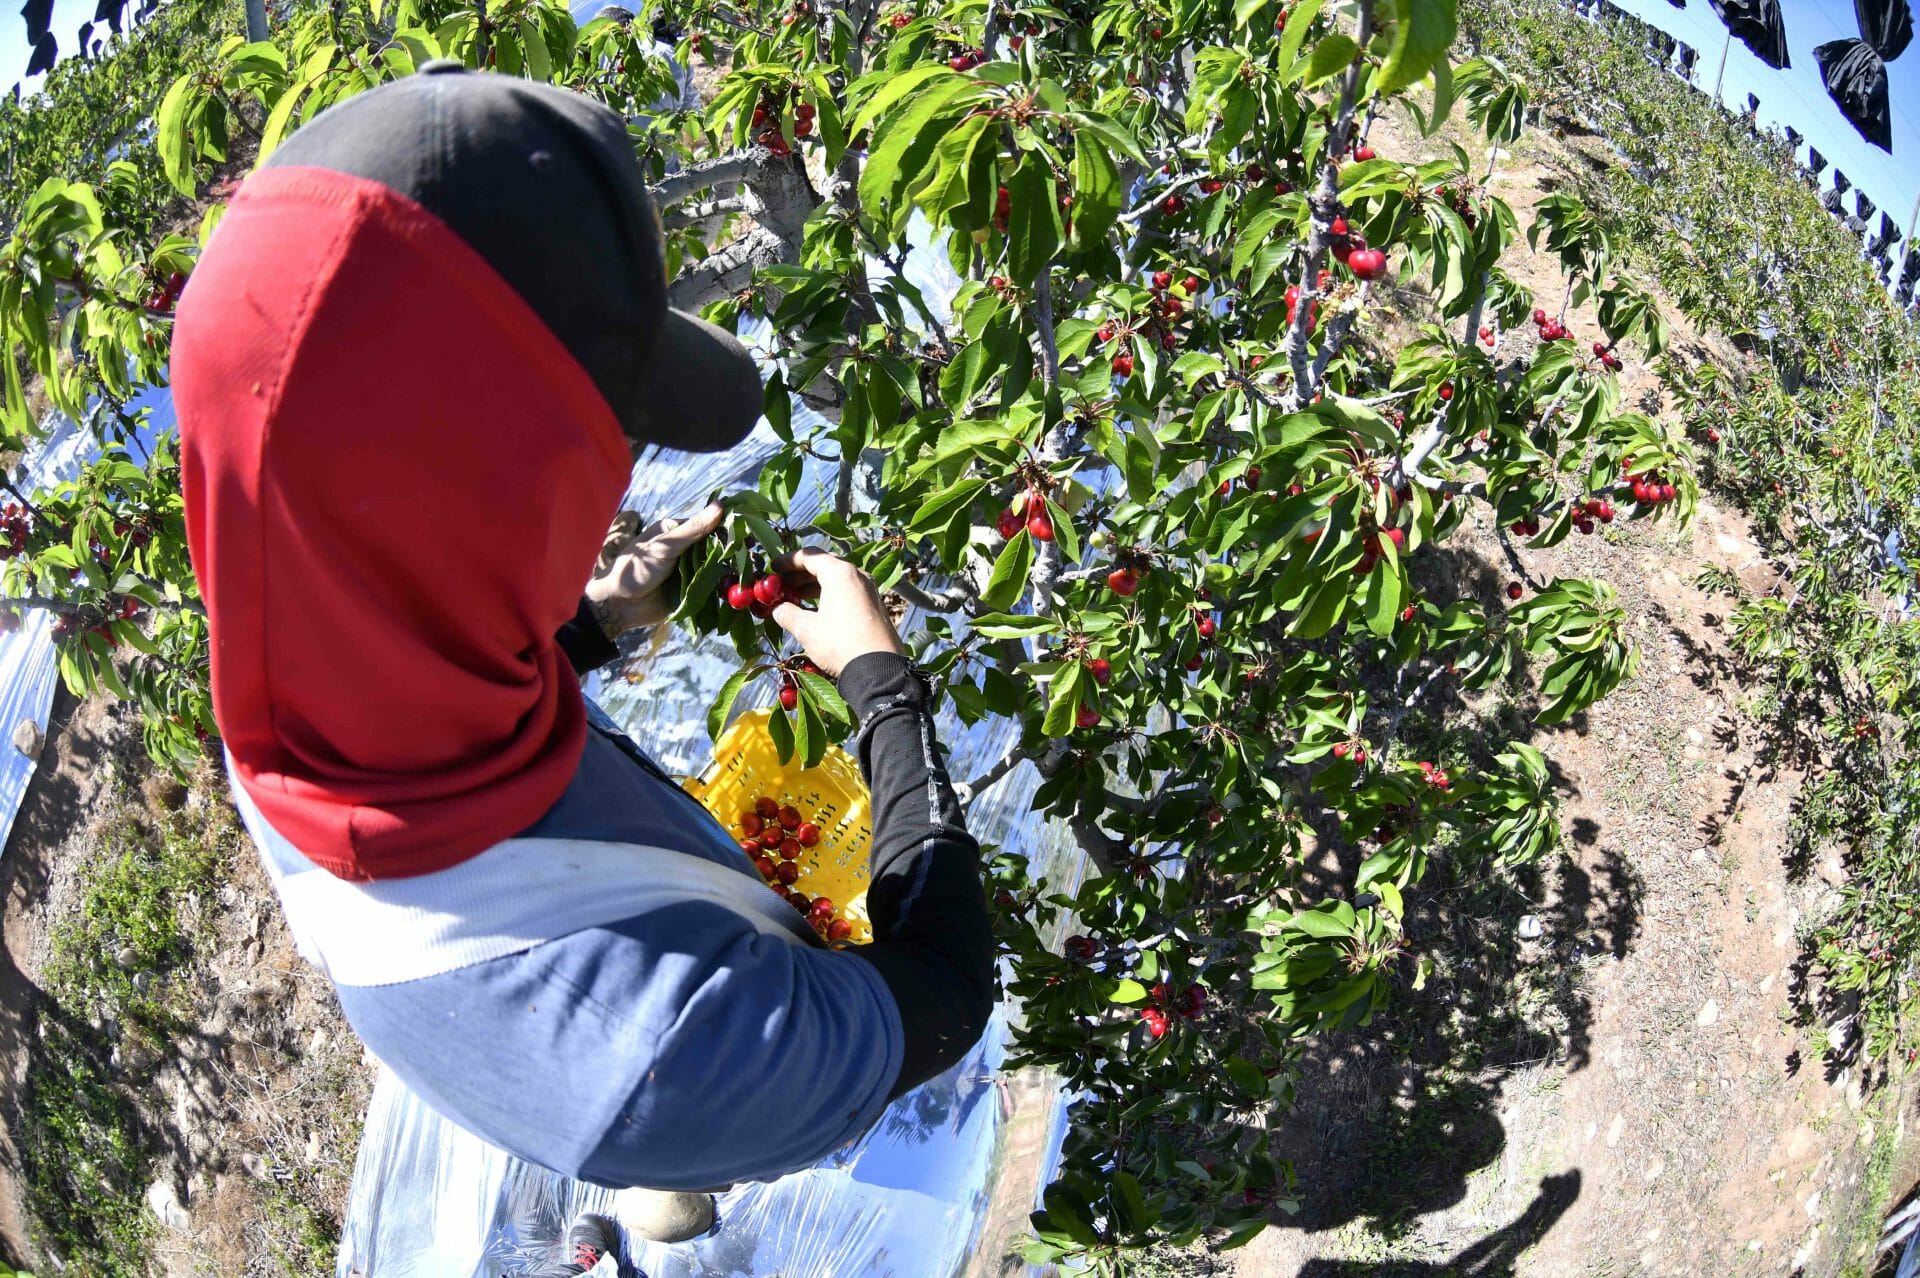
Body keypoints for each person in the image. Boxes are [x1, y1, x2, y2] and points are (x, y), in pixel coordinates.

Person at [171, 63, 996, 1239]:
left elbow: (434, 709)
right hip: (694, 1089)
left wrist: (591, 627)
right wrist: (882, 687)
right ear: (489, 503)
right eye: (604, 438)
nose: (621, 478)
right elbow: (951, 991)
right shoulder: (687, 1047)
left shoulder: (279, 709)